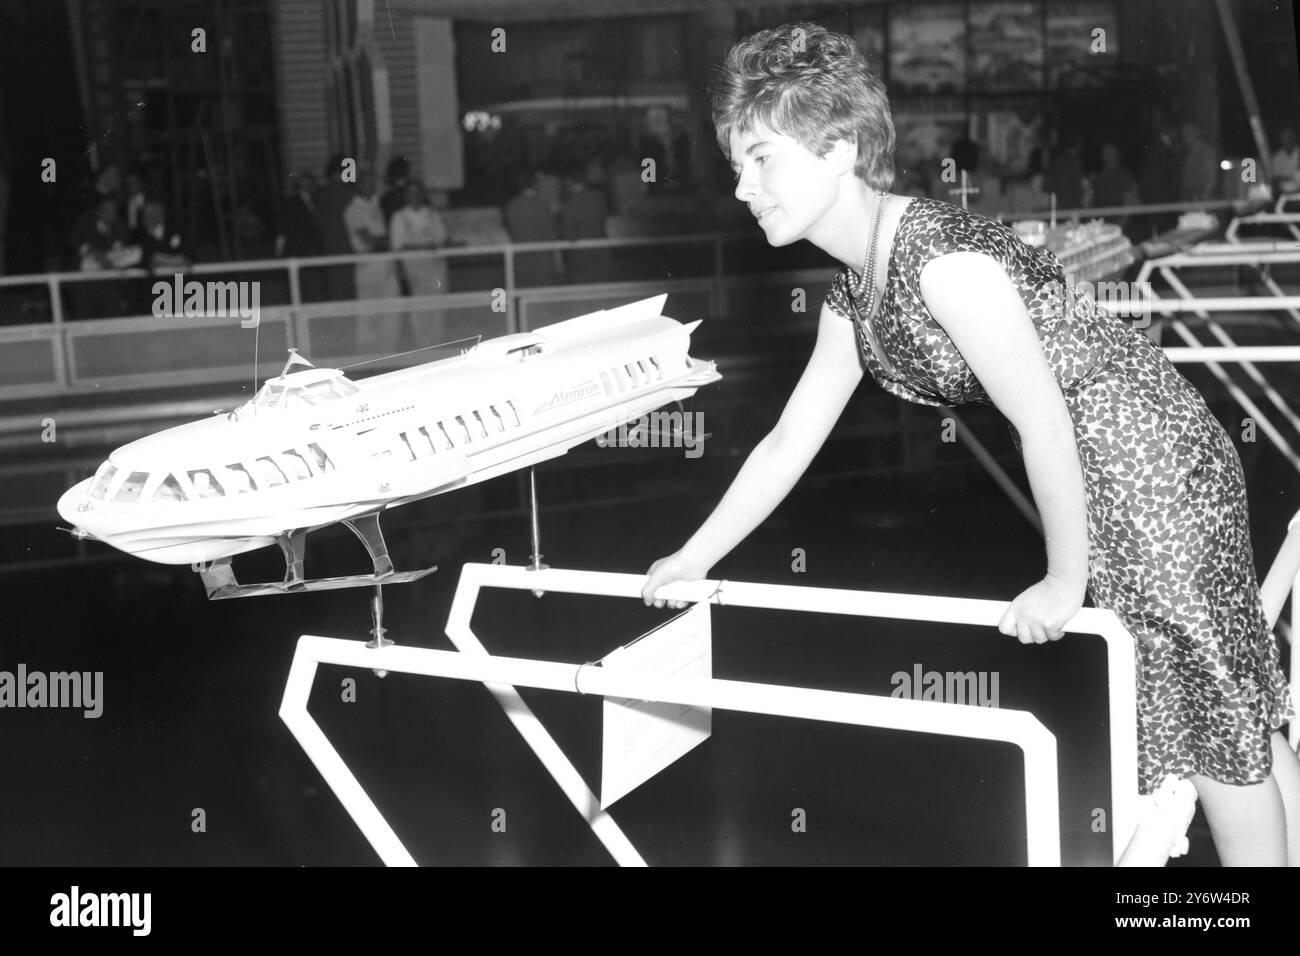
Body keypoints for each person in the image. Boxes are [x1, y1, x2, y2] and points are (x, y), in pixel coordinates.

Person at [641, 22, 1300, 867]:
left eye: (761, 157)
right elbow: (786, 442)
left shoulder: (942, 264)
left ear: (839, 148)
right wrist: (693, 557)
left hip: (1148, 458)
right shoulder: (856, 289)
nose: (743, 186)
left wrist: (1067, 581)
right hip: (1103, 461)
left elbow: (1045, 421)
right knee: (1224, 694)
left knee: (1207, 714)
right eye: (738, 162)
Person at [344, 168, 401, 355]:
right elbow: (367, 239)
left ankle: (389, 352)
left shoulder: (377, 204)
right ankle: (368, 356)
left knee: (391, 309)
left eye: (373, 181)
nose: (371, 185)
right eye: (367, 181)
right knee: (369, 313)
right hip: (368, 265)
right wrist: (390, 240)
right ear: (359, 184)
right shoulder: (353, 209)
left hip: (386, 263)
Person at [389, 179, 450, 348]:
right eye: (410, 193)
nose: (414, 196)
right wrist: (425, 244)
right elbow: (398, 245)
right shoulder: (399, 217)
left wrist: (416, 245)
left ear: (422, 194)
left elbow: (441, 239)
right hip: (413, 272)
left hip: (436, 270)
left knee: (437, 309)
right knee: (418, 310)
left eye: (417, 192)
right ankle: (421, 347)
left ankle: (438, 345)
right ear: (405, 196)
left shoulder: (432, 215)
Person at [1270, 127, 1300, 195]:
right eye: (1284, 136)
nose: (1287, 139)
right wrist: (1289, 178)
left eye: (1289, 136)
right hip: (1284, 190)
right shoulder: (1278, 157)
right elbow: (1275, 177)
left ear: (1295, 137)